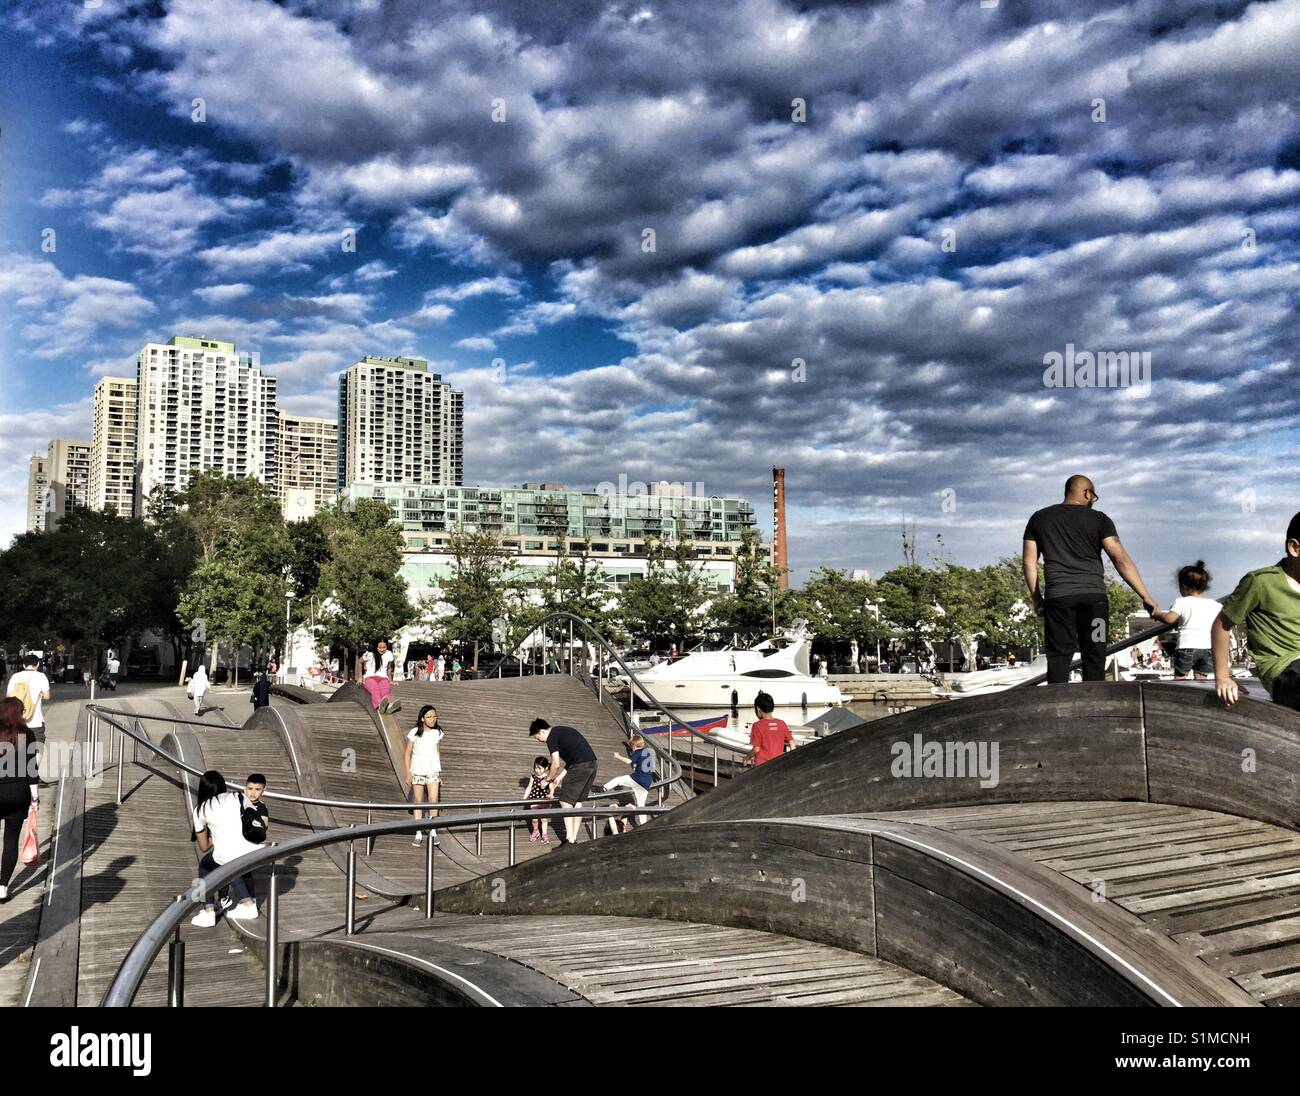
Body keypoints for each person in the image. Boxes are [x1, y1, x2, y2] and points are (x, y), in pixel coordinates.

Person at [1022, 475, 1158, 684]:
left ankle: (1057, 709)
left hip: (1059, 600)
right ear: (1087, 493)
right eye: (1093, 495)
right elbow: (1120, 559)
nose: (1093, 501)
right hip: (1095, 601)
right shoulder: (1100, 519)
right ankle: (1093, 709)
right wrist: (1145, 595)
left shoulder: (1039, 518)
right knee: (1095, 653)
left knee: (1058, 657)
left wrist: (1036, 598)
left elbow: (1029, 562)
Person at [1214, 512, 1300, 711]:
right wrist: (1223, 677)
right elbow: (1221, 624)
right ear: (1295, 548)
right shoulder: (1261, 582)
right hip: (1284, 670)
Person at [190, 770, 261, 926]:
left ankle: (209, 911)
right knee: (236, 858)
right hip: (256, 848)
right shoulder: (238, 796)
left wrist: (214, 835)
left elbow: (204, 847)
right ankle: (249, 900)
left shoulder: (200, 809)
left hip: (232, 855)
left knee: (205, 866)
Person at [528, 718, 597, 847]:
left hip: (580, 765)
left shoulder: (552, 737)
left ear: (542, 732)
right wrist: (559, 777)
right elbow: (572, 759)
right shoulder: (562, 731)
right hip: (591, 764)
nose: (539, 741)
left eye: (537, 738)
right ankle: (573, 837)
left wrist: (547, 780)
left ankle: (569, 839)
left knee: (565, 801)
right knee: (577, 802)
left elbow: (555, 763)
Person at [0, 697, 39, 902]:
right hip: (18, 792)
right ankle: (2, 887)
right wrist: (35, 797)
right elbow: (32, 769)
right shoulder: (26, 733)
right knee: (10, 839)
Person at [404, 705, 443, 847]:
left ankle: (433, 831)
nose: (433, 719)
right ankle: (418, 833)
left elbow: (437, 752)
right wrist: (408, 773)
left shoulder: (437, 732)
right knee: (418, 801)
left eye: (434, 716)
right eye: (429, 717)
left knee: (433, 800)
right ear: (422, 718)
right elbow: (407, 753)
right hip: (417, 771)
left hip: (432, 771)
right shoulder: (414, 732)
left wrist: (439, 773)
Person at [6, 653, 50, 767]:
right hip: (35, 720)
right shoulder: (41, 676)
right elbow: (47, 696)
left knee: (19, 748)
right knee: (38, 747)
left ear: (24, 665)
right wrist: (39, 694)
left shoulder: (15, 677)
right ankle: (33, 774)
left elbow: (9, 696)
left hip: (17, 720)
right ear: (38, 664)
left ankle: (21, 774)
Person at [602, 733, 654, 827]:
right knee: (641, 805)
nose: (631, 748)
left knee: (619, 779)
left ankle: (603, 788)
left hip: (638, 778)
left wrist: (618, 756)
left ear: (634, 745)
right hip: (647, 781)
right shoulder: (648, 752)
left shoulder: (637, 752)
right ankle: (644, 826)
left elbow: (628, 761)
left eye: (631, 746)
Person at [744, 690, 794, 767]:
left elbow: (756, 749)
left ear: (758, 709)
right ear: (772, 708)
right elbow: (792, 743)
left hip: (762, 767)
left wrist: (747, 757)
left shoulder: (757, 725)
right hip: (778, 765)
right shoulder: (781, 723)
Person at [361, 639, 401, 715]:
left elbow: (389, 668)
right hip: (370, 677)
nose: (382, 649)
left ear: (387, 646)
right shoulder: (369, 654)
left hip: (383, 677)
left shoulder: (389, 654)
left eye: (384, 647)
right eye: (380, 647)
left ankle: (389, 706)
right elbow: (359, 662)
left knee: (385, 689)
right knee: (375, 688)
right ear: (376, 647)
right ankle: (380, 705)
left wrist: (391, 680)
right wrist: (359, 677)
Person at [525, 755, 554, 843]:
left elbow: (552, 787)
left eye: (540, 768)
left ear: (545, 768)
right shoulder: (533, 776)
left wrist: (551, 794)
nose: (537, 770)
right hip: (534, 800)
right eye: (535, 768)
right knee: (534, 819)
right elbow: (529, 787)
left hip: (544, 801)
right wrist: (525, 797)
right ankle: (535, 830)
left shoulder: (548, 777)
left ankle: (544, 834)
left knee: (544, 819)